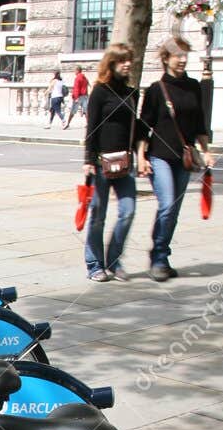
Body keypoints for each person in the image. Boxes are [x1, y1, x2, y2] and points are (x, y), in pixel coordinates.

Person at [137, 35, 215, 282]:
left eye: (185, 55)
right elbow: (143, 127)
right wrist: (140, 156)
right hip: (159, 155)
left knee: (174, 211)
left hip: (184, 158)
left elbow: (200, 123)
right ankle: (159, 257)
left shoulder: (193, 86)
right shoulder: (155, 89)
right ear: (166, 58)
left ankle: (162, 255)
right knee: (167, 205)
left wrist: (205, 150)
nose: (182, 60)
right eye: (177, 55)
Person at [82, 43, 144, 283]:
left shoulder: (132, 93)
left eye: (128, 60)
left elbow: (135, 128)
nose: (126, 64)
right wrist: (88, 159)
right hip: (100, 163)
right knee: (98, 215)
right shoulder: (100, 91)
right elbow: (92, 128)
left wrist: (141, 156)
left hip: (124, 162)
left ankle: (114, 261)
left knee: (128, 212)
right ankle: (94, 264)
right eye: (121, 60)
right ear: (111, 64)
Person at [64, 64, 89, 128]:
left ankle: (68, 123)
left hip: (79, 97)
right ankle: (88, 123)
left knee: (73, 111)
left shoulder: (77, 78)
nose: (74, 72)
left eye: (75, 70)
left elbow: (76, 88)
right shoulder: (85, 78)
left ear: (78, 70)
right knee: (86, 111)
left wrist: (76, 97)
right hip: (85, 96)